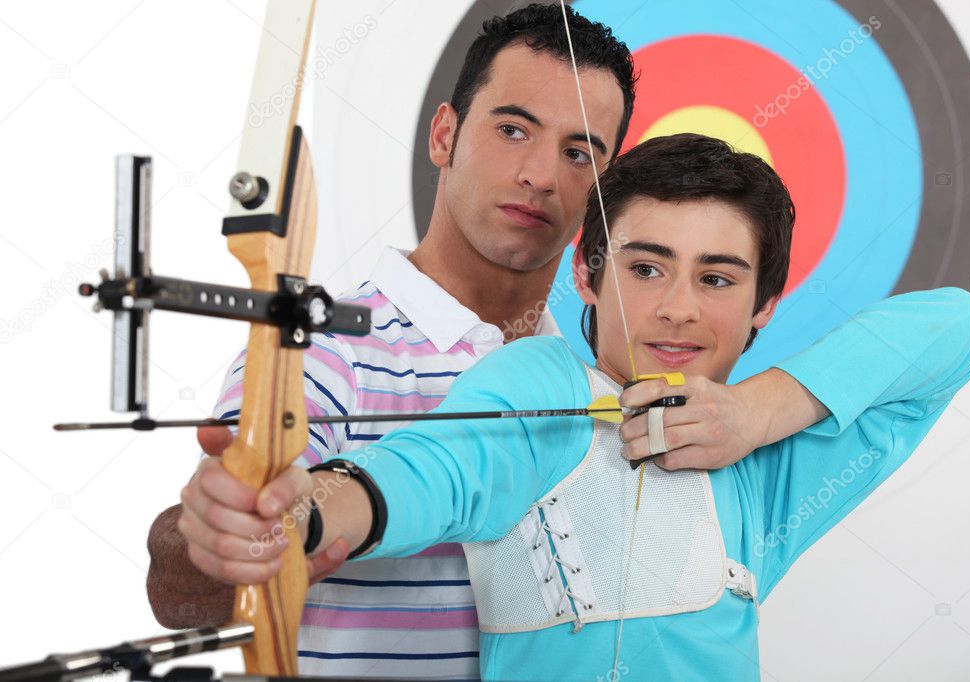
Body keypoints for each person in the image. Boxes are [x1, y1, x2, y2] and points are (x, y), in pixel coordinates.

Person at [176, 133, 970, 681]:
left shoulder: (761, 472)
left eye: (716, 279)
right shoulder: (542, 384)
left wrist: (752, 413)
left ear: (764, 306)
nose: (677, 307)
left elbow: (963, 327)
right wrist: (301, 513)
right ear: (586, 276)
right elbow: (431, 472)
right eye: (645, 268)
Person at [149, 5, 636, 679]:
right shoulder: (319, 351)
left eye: (578, 152)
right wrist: (214, 531)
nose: (541, 176)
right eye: (512, 129)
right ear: (444, 135)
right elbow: (189, 583)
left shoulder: (590, 388)